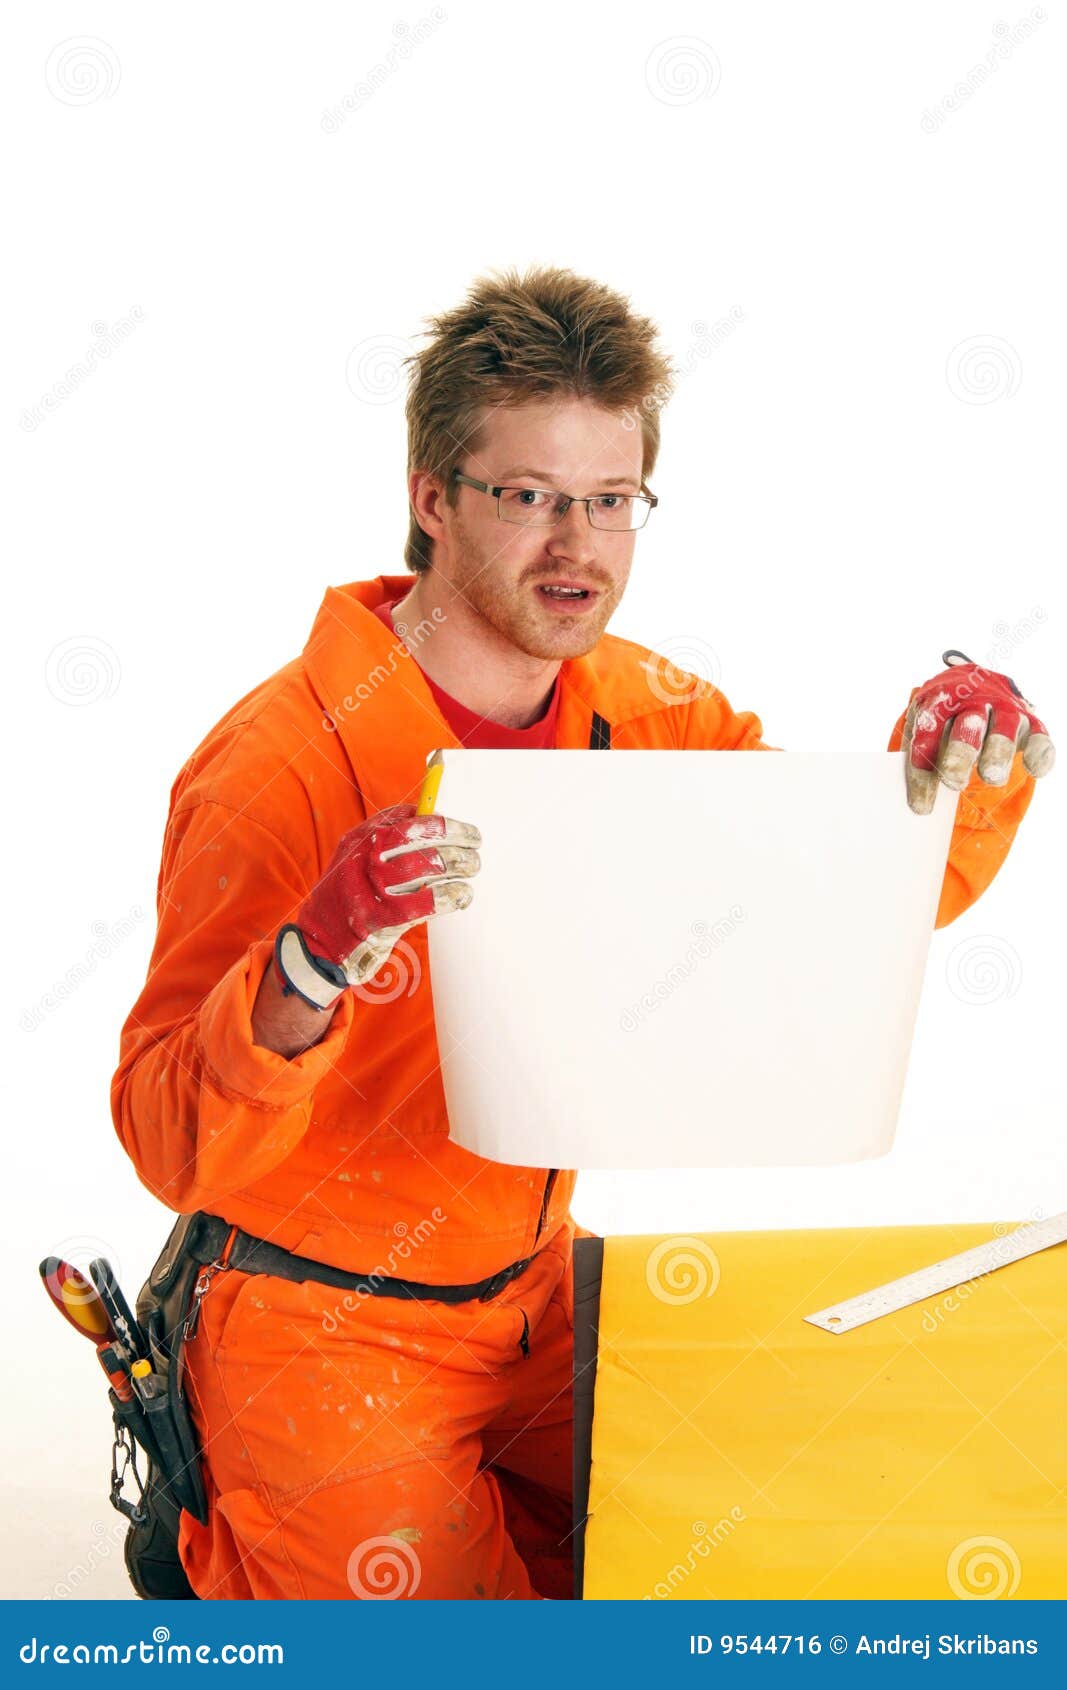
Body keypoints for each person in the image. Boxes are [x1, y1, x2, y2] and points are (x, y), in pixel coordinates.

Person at [110, 265, 1054, 1601]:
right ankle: (229, 1501)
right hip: (320, 1328)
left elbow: (832, 910)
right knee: (490, 1656)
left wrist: (959, 772)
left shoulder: (641, 707)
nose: (579, 545)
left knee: (786, 1542)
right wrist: (306, 967)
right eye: (529, 496)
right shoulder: (276, 766)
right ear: (433, 499)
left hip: (535, 1297)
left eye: (611, 500)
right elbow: (164, 1137)